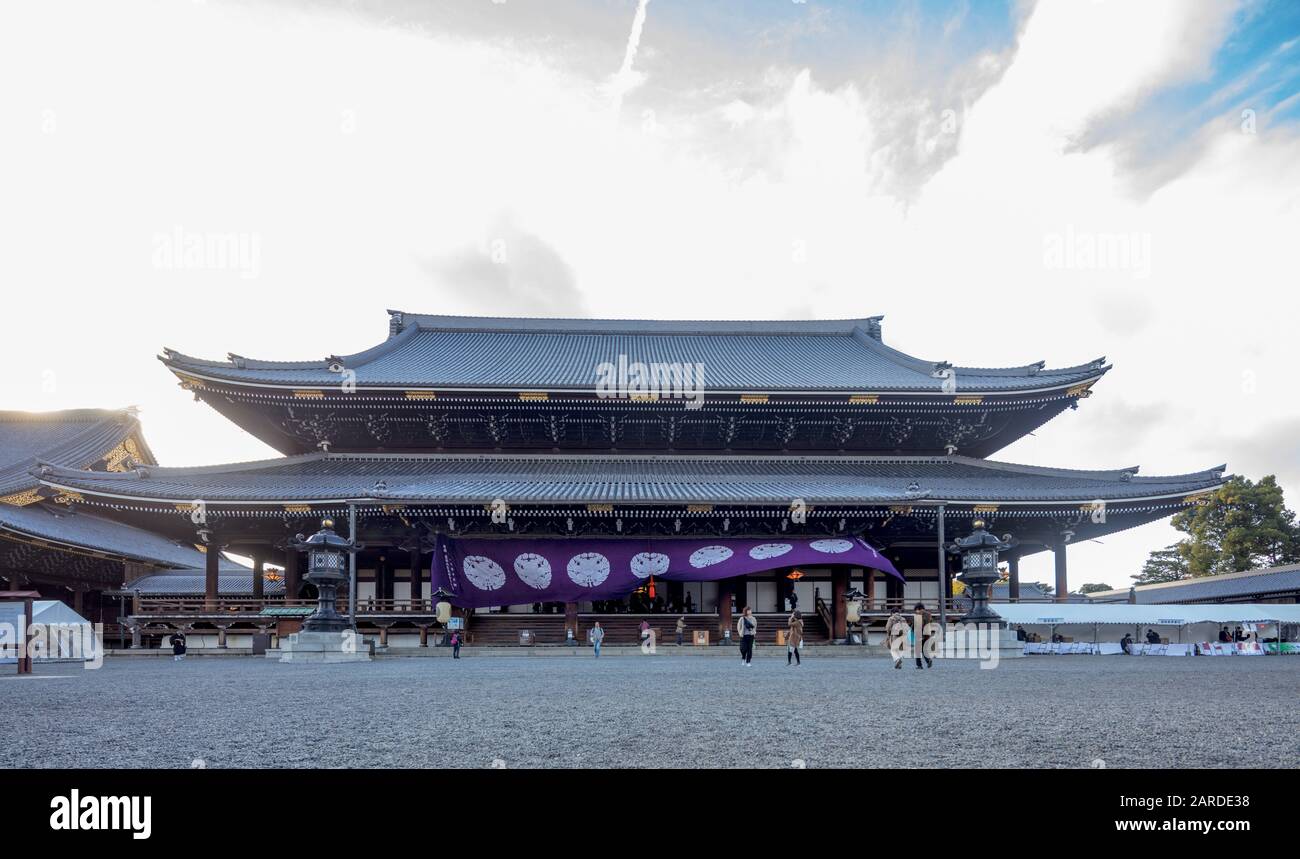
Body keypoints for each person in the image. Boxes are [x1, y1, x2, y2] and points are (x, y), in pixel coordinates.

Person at [912, 602, 934, 669]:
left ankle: (919, 665)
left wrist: (912, 629)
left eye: (916, 609)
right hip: (928, 634)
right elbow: (931, 622)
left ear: (918, 609)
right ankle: (928, 660)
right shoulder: (929, 614)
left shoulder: (918, 614)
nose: (916, 611)